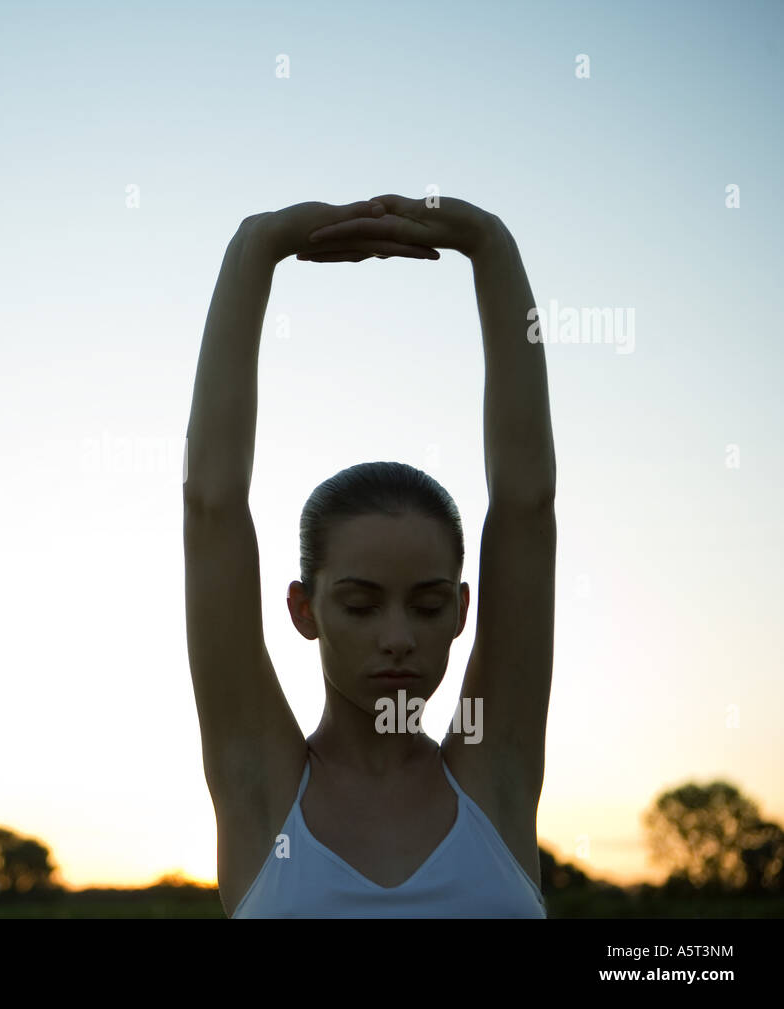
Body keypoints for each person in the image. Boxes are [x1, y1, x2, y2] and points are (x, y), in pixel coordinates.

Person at [182, 195, 556, 918]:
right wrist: (257, 246)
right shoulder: (262, 789)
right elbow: (211, 505)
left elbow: (526, 504)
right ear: (304, 609)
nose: (398, 636)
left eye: (427, 604)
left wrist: (490, 243)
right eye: (359, 603)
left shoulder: (495, 775)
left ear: (462, 612)